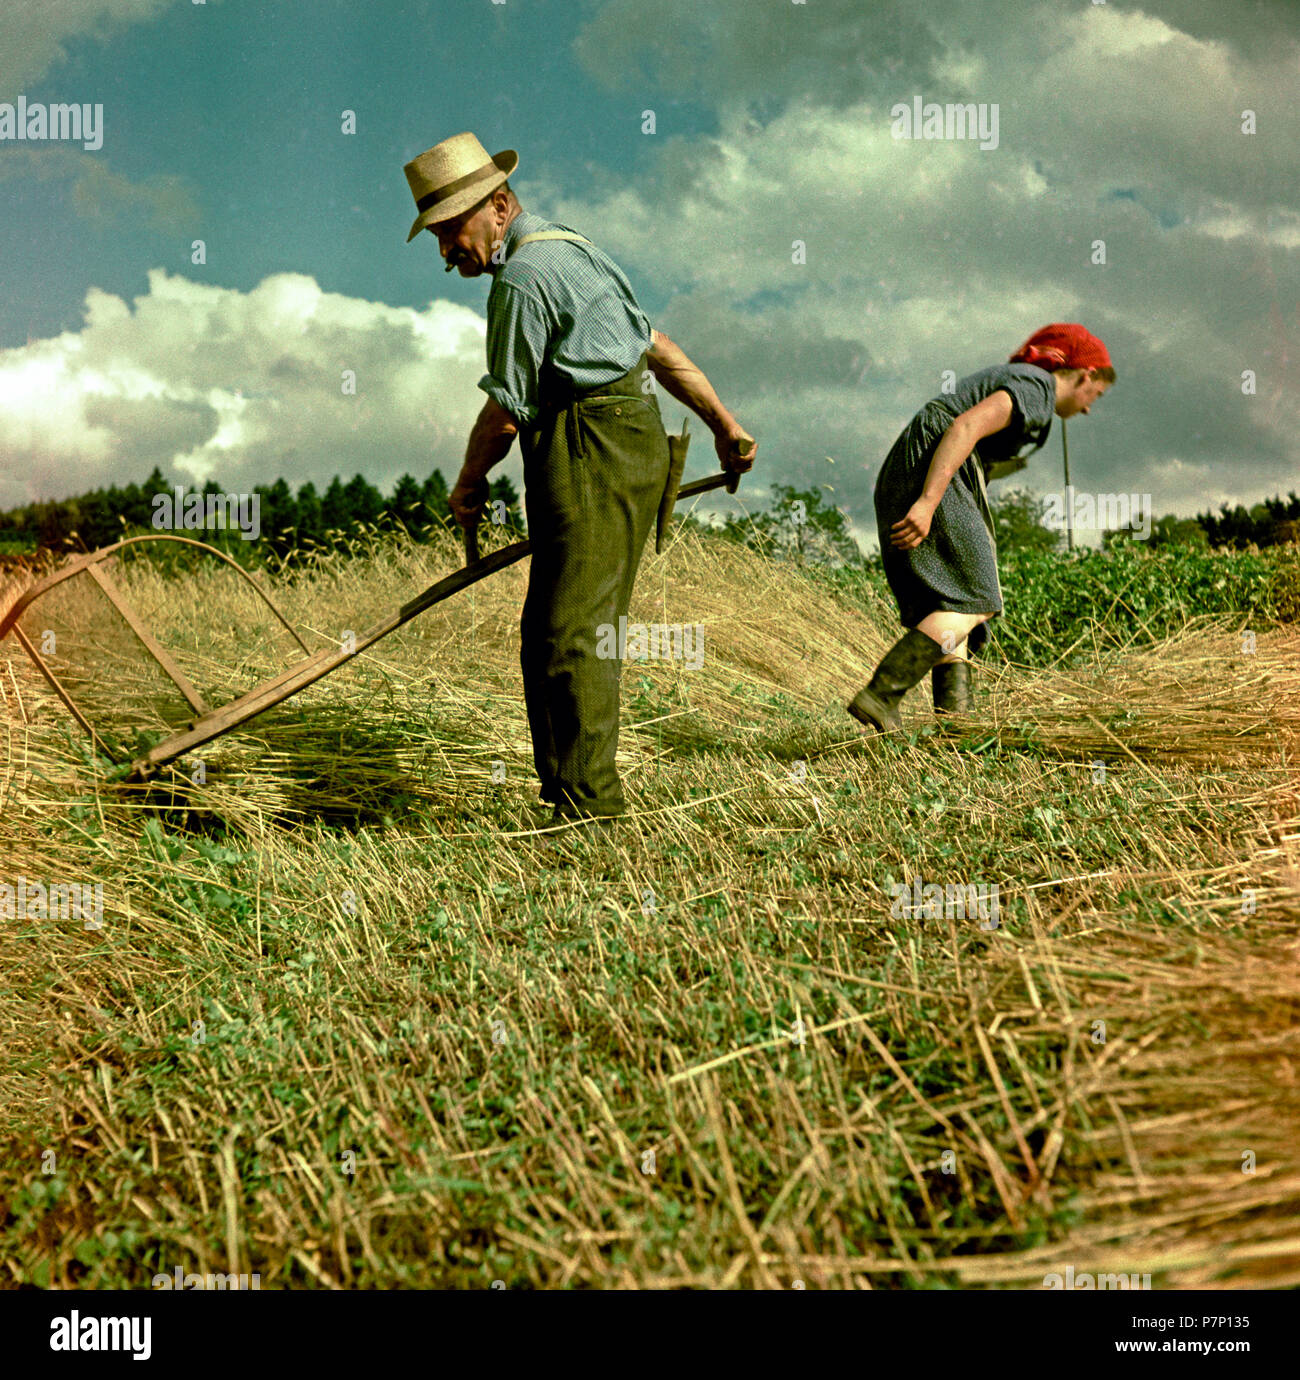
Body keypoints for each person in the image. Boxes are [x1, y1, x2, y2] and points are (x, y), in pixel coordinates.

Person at [402, 132, 756, 824]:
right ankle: (565, 792)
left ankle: (590, 810)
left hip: (593, 443)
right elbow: (655, 347)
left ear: (499, 206)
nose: (447, 252)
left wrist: (469, 484)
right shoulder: (576, 250)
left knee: (575, 631)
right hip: (621, 438)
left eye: (451, 232)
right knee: (549, 629)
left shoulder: (525, 279)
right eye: (437, 237)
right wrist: (722, 422)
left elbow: (506, 410)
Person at [848, 323, 1115, 733]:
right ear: (1087, 375)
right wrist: (928, 503)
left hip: (917, 464)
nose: (1088, 408)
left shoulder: (1026, 385)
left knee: (954, 605)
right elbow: (965, 428)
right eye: (1094, 395)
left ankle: (955, 724)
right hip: (930, 469)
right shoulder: (1037, 387)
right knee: (975, 599)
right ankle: (882, 695)